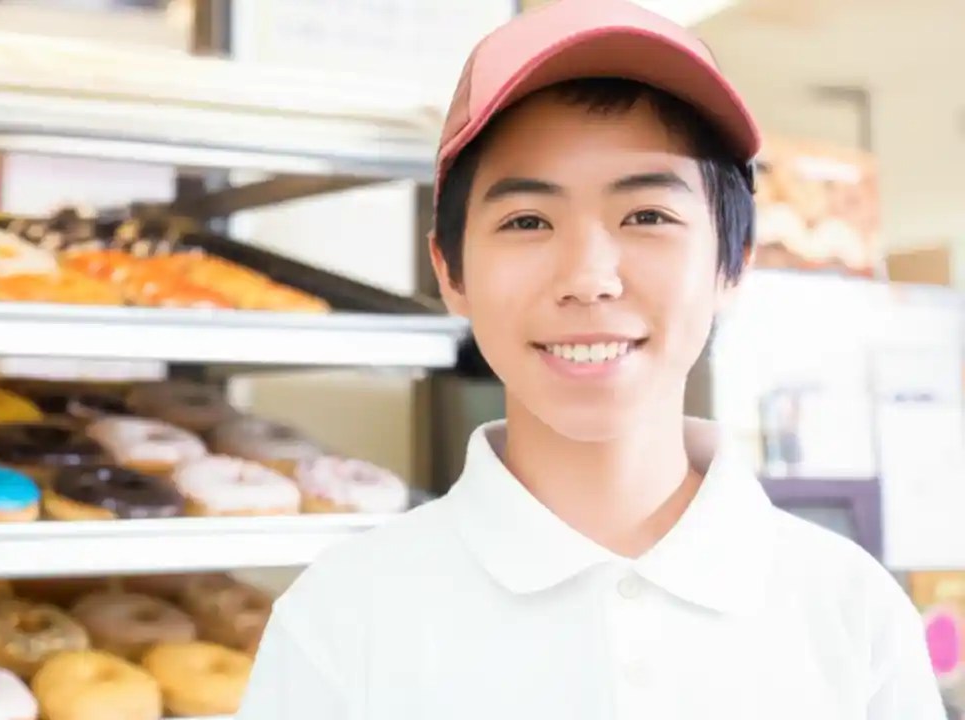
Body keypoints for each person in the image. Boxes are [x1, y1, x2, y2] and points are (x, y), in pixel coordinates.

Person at [236, 0, 944, 718]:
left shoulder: (853, 617)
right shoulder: (342, 622)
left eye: (648, 217)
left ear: (733, 263)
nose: (589, 276)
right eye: (528, 221)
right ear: (450, 270)